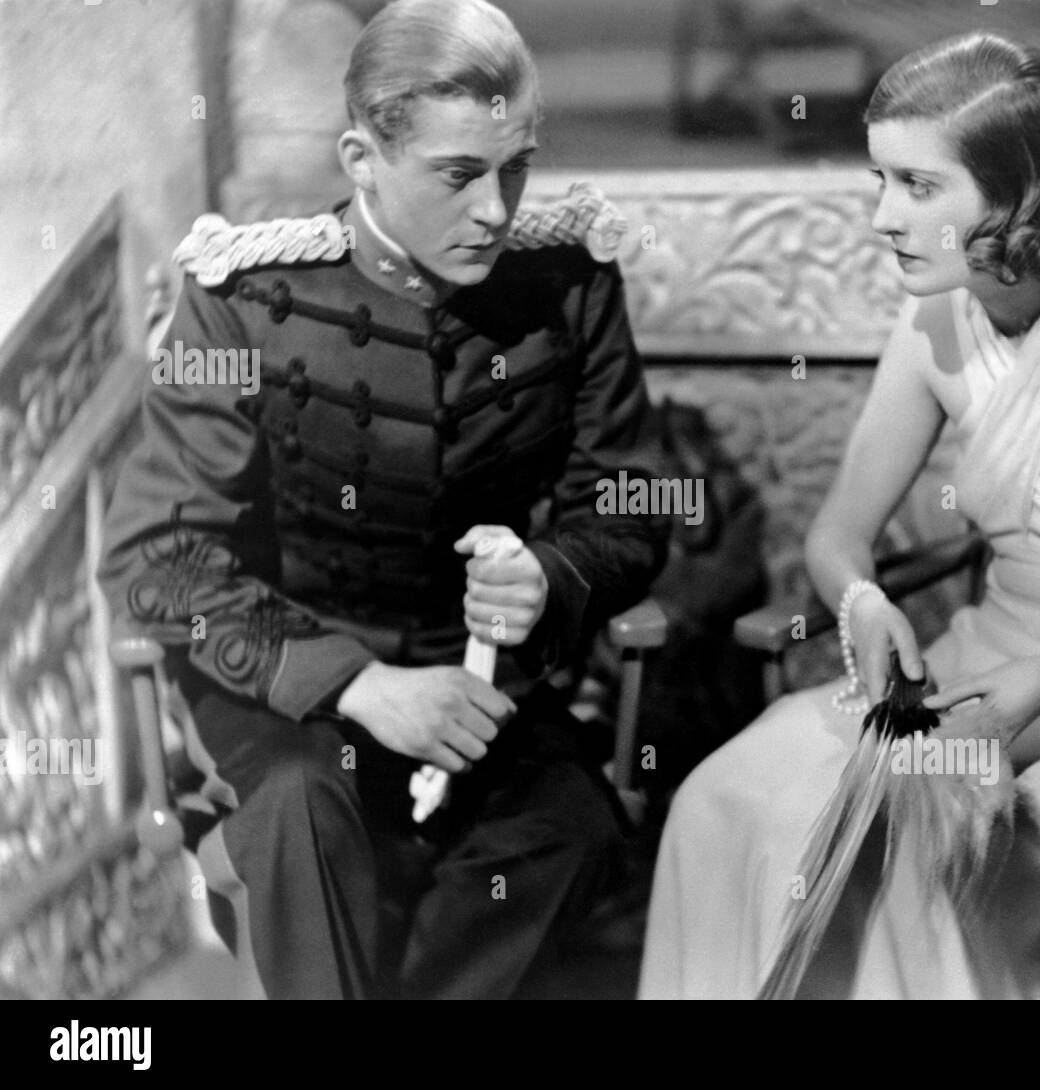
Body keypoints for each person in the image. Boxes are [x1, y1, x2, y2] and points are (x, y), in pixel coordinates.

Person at [639, 33, 1040, 1000]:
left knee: (922, 844)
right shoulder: (934, 320)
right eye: (878, 179)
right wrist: (859, 600)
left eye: (916, 185)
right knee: (720, 801)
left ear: (1016, 189)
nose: (880, 216)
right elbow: (836, 534)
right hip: (975, 675)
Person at [98, 0, 669, 999]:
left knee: (567, 831)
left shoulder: (567, 282)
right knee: (300, 809)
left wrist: (551, 572)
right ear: (362, 158)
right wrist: (362, 688)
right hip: (288, 687)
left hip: (479, 679)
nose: (496, 209)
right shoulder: (243, 295)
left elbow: (631, 499)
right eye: (458, 175)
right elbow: (154, 559)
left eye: (517, 166)